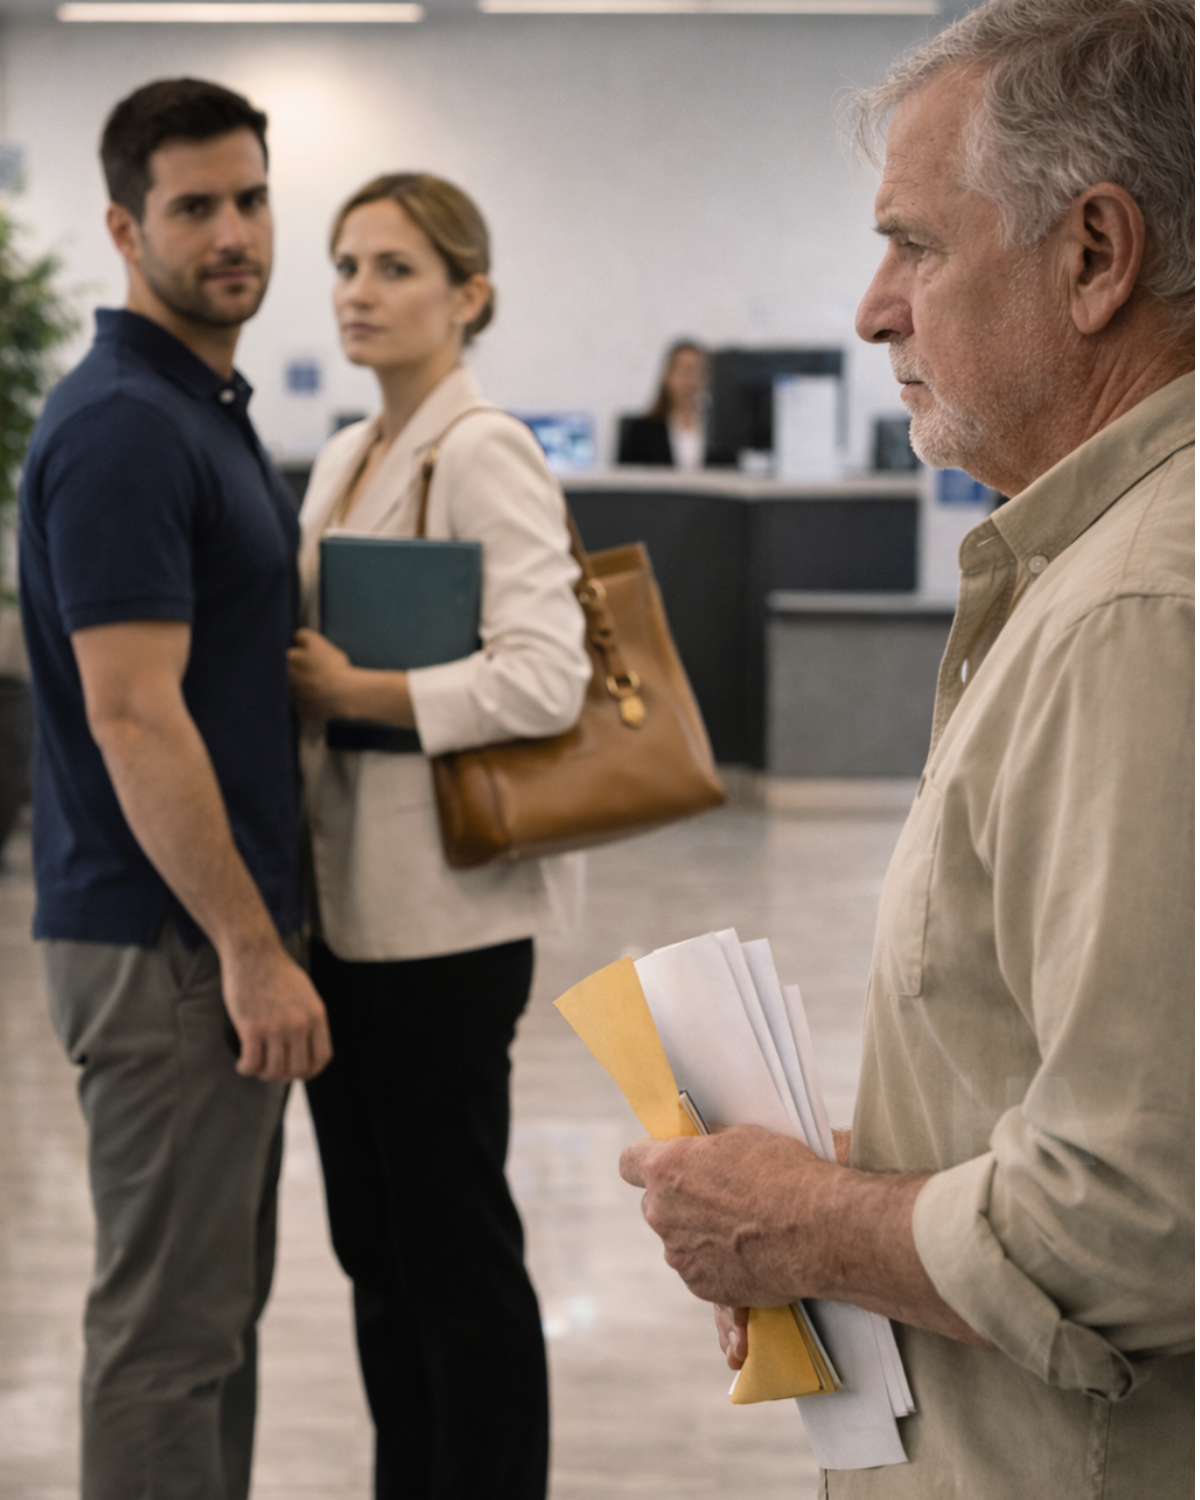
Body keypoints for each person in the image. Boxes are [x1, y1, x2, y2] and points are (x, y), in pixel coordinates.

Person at [618, 2, 1194, 1495]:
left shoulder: (1140, 612)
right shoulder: (1102, 570)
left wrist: (810, 1224)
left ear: (1094, 255)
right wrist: (863, 1174)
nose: (875, 309)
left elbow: (1140, 1218)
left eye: (916, 247)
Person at [18, 78, 332, 1500]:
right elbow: (134, 716)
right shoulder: (128, 425)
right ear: (122, 226)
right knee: (164, 1340)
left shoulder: (201, 407)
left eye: (251, 198)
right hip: (171, 949)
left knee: (212, 1330)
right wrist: (252, 950)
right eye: (194, 206)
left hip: (198, 938)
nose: (233, 232)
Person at [285, 172, 591, 1500]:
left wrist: (365, 693)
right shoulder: (351, 450)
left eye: (396, 268)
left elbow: (547, 677)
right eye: (348, 266)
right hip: (343, 912)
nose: (359, 291)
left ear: (469, 296)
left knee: (455, 1256)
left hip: (445, 922)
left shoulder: (483, 448)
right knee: (377, 1254)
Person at [616, 339, 709, 468]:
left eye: (697, 371)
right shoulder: (641, 431)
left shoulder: (721, 435)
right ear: (668, 375)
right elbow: (624, 479)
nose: (690, 381)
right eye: (684, 371)